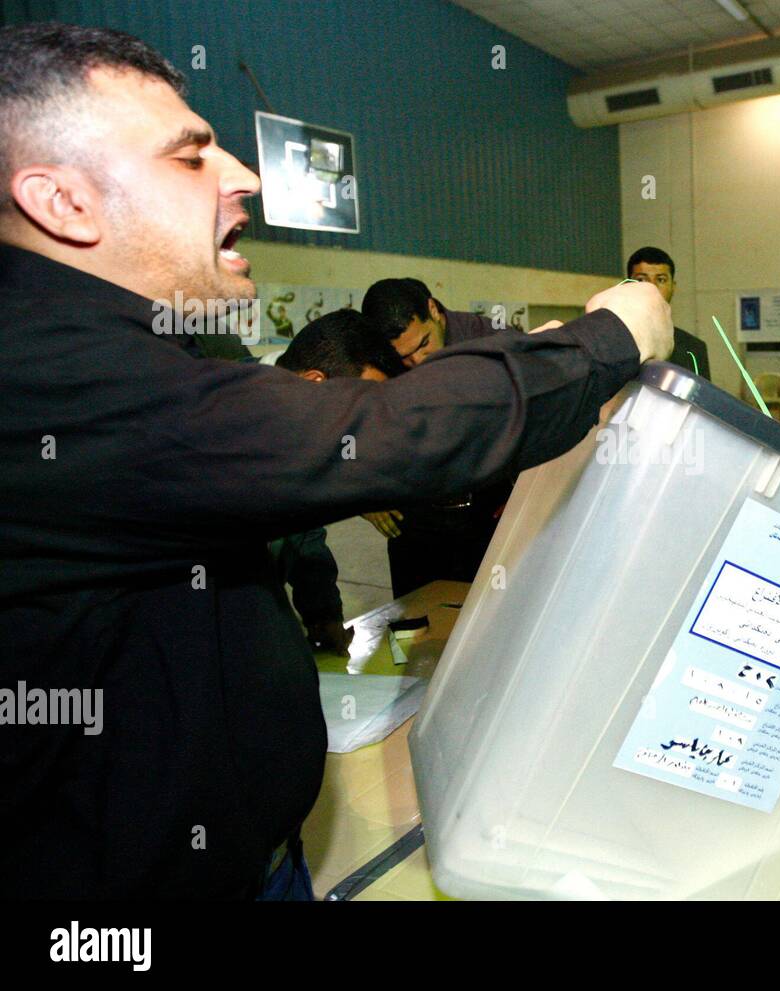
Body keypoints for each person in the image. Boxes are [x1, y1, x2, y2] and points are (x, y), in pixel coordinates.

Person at [0, 22, 672, 899]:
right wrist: (616, 336)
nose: (242, 175)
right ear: (65, 202)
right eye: (191, 156)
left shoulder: (155, 351)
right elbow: (387, 429)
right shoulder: (44, 373)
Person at [360, 277, 516, 595]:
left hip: (487, 519)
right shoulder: (374, 359)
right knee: (416, 626)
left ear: (432, 309)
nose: (416, 362)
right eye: (402, 357)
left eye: (422, 344)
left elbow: (547, 409)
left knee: (486, 623)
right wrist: (363, 496)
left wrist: (528, 489)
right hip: (415, 524)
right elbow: (346, 416)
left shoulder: (493, 342)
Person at [268, 310, 405, 654]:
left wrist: (323, 618)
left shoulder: (299, 431)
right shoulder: (215, 420)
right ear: (316, 382)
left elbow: (305, 539)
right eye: (363, 402)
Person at [626, 246, 711, 381]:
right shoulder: (613, 343)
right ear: (628, 285)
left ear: (673, 287)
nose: (652, 287)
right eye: (641, 280)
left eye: (661, 280)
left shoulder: (693, 349)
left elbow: (701, 399)